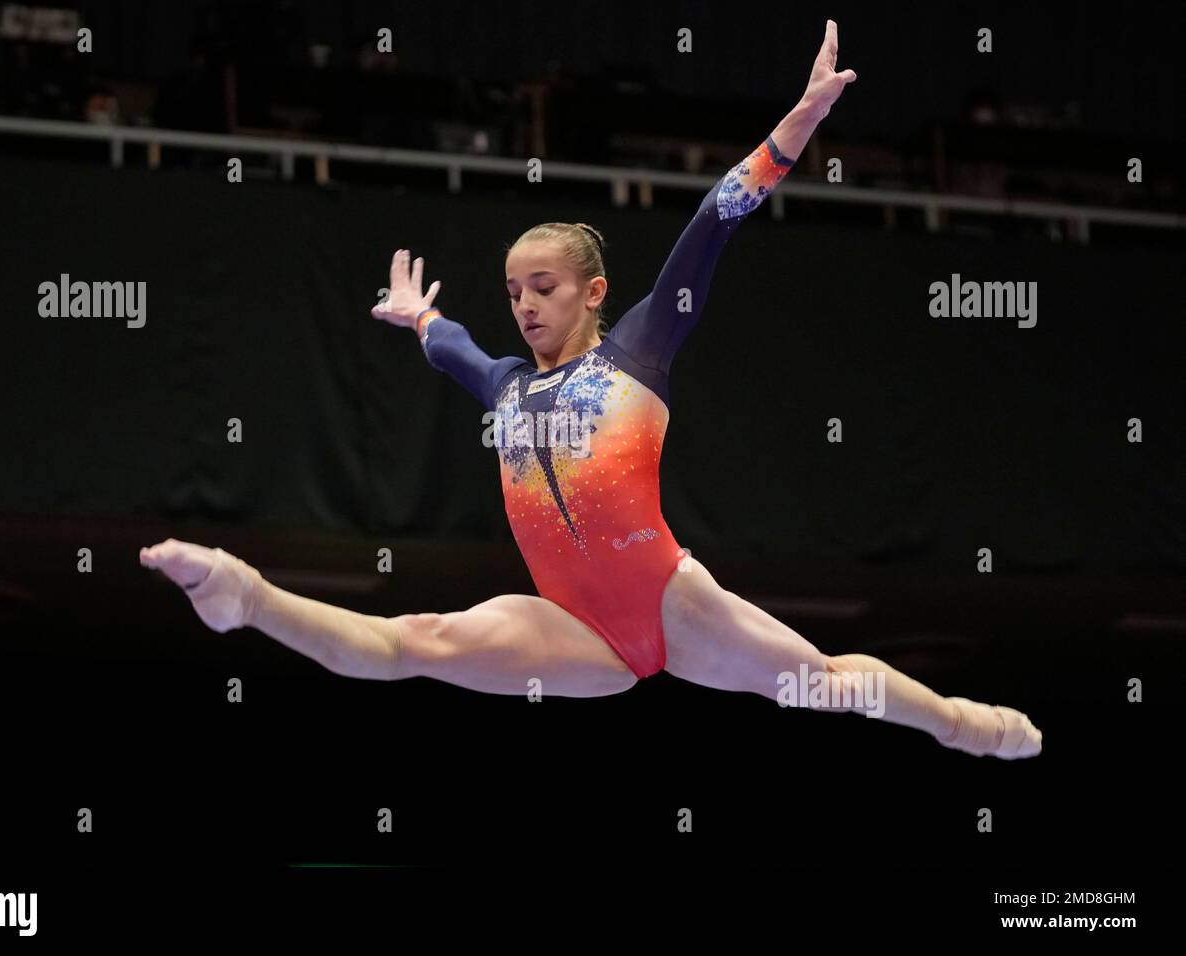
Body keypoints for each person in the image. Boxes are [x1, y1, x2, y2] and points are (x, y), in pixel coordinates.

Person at [140, 22, 1041, 759]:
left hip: (670, 607)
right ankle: (244, 596)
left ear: (593, 291)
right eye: (514, 292)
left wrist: (795, 126)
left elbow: (714, 220)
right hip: (573, 633)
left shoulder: (642, 349)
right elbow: (450, 346)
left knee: (828, 686)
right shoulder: (502, 385)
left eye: (544, 288)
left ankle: (965, 724)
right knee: (415, 642)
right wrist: (418, 317)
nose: (525, 306)